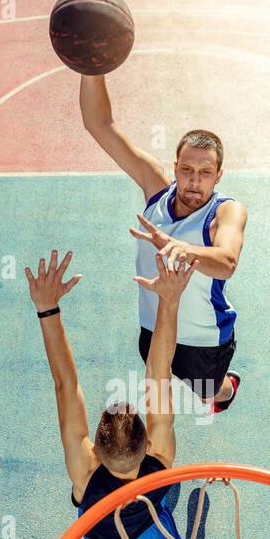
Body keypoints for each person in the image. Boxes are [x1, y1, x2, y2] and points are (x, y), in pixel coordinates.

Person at [25, 246, 198, 539]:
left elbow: (65, 385)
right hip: (151, 521)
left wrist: (47, 309)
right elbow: (160, 370)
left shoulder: (85, 472)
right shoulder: (160, 455)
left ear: (96, 450)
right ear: (144, 438)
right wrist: (169, 301)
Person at [79, 73, 248, 415]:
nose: (193, 181)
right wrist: (90, 66)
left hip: (203, 342)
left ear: (218, 175)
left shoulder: (226, 211)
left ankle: (226, 387)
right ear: (175, 167)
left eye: (204, 172)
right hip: (153, 327)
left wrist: (182, 248)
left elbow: (227, 260)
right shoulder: (157, 187)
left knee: (207, 393)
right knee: (159, 410)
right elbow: (99, 124)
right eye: (186, 169)